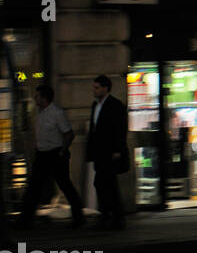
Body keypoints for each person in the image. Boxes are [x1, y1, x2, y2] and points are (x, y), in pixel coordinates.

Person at [18, 84, 85, 229]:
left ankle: (78, 216)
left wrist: (62, 151)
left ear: (44, 98)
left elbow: (69, 134)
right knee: (34, 186)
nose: (35, 98)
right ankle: (25, 220)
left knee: (65, 185)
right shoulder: (38, 112)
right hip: (42, 154)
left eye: (37, 96)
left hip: (55, 154)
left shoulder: (57, 113)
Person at [86, 74, 129, 230]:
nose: (94, 90)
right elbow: (94, 129)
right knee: (103, 184)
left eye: (97, 87)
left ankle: (113, 217)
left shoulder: (115, 105)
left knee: (107, 184)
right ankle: (110, 216)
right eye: (94, 87)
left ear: (105, 88)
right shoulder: (95, 105)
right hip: (100, 152)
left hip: (110, 153)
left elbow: (120, 129)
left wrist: (117, 150)